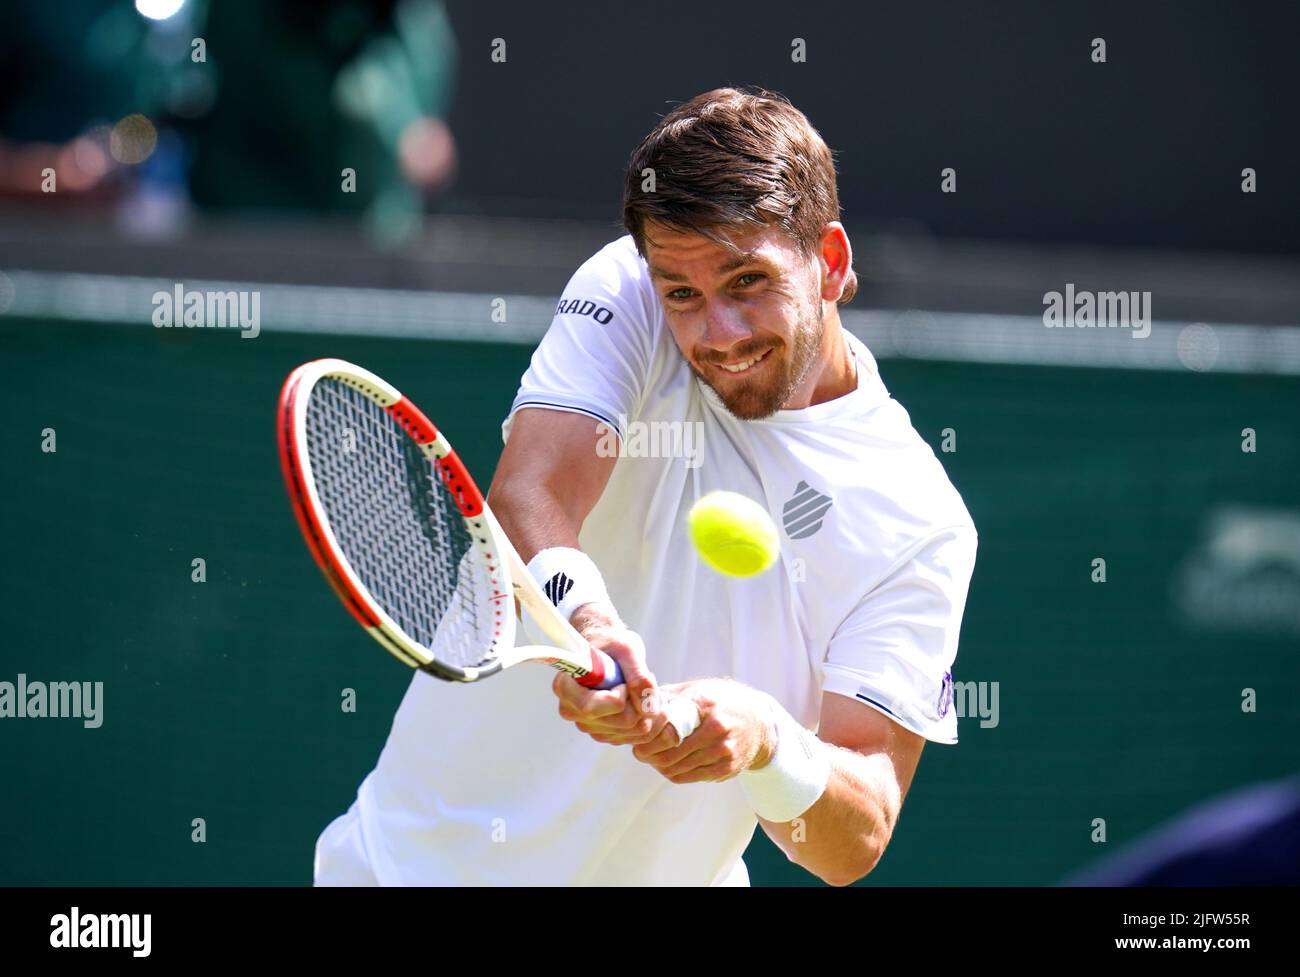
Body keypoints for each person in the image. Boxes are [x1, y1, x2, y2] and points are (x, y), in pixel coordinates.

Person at [314, 86, 978, 886]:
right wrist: (587, 622)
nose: (717, 333)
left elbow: (854, 837)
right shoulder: (627, 288)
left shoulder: (922, 520)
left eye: (747, 282)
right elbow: (532, 490)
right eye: (684, 295)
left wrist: (768, 738)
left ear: (830, 263)